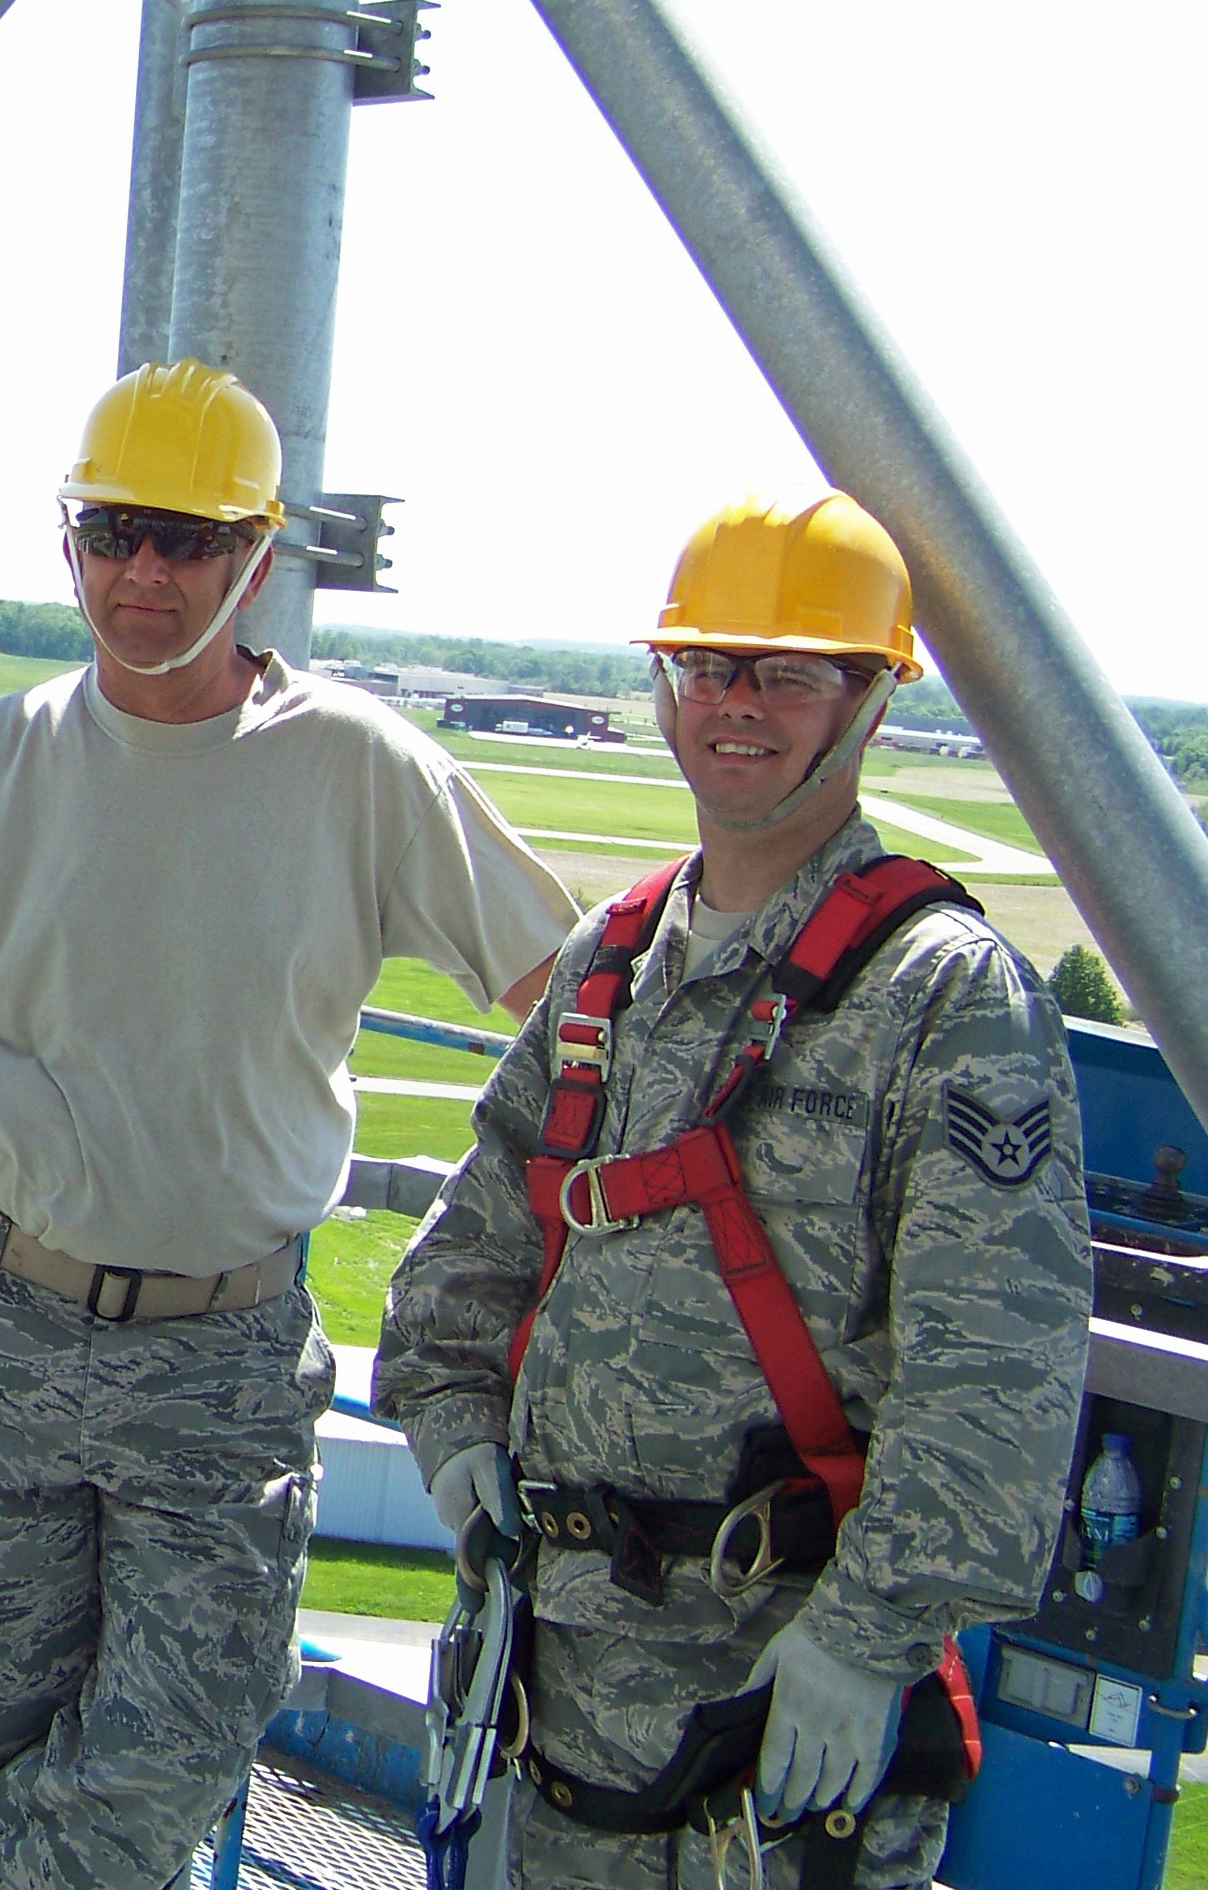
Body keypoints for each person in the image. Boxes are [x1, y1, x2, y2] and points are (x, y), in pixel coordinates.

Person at [0, 359, 575, 1889]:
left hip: (214, 1368)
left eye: (188, 539)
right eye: (113, 531)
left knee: (170, 1748)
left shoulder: (357, 768)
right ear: (67, 541)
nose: (142, 571)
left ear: (257, 560)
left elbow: (572, 1008)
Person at [375, 492, 1091, 1889]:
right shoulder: (615, 962)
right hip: (552, 1713)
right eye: (704, 667)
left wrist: (865, 1634)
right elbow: (467, 1255)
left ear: (869, 699)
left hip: (769, 1740)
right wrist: (454, 1431)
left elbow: (992, 1380)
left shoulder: (940, 995)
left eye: (785, 673)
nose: (734, 705)